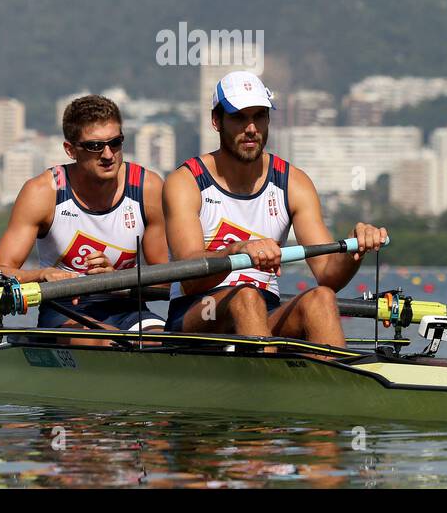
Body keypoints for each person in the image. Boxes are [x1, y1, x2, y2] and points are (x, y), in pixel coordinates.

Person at [162, 71, 386, 347]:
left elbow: (328, 274)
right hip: (198, 311)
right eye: (239, 117)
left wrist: (355, 248)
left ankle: (336, 385)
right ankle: (268, 383)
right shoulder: (185, 182)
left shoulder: (294, 183)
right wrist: (237, 250)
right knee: (246, 296)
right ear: (216, 121)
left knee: (322, 298)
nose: (252, 128)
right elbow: (190, 279)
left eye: (259, 116)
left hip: (262, 312)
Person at [0, 95, 168, 342]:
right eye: (94, 146)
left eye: (115, 143)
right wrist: (41, 276)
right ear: (70, 150)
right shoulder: (42, 193)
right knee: (107, 340)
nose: (108, 155)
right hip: (66, 312)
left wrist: (117, 280)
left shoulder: (148, 187)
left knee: (165, 341)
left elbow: (166, 284)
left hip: (129, 310)